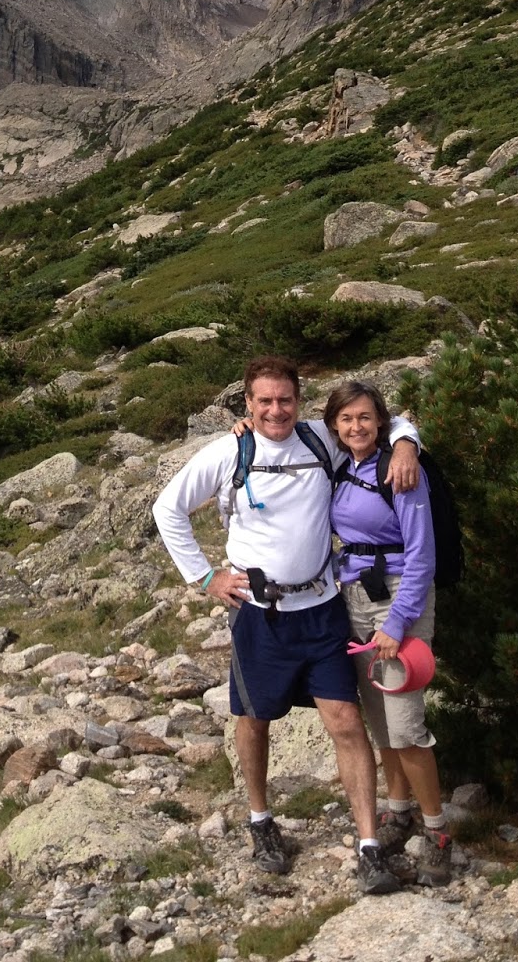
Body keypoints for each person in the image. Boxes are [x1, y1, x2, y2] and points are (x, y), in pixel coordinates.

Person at [152, 355, 420, 894]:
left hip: (323, 609)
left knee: (346, 723)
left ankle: (369, 846)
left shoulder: (321, 437)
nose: (276, 410)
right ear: (247, 404)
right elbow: (167, 508)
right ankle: (260, 821)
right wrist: (205, 577)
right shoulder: (231, 449)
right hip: (259, 615)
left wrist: (407, 444)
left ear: (300, 402)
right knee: (255, 719)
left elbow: (388, 423)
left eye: (285, 400)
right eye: (265, 401)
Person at [326, 379, 451, 887]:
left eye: (365, 417)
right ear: (334, 424)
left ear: (380, 421)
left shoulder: (401, 471)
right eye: (346, 419)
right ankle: (399, 811)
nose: (356, 427)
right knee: (379, 721)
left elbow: (423, 555)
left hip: (400, 598)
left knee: (405, 727)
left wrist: (397, 624)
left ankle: (438, 832)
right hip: (355, 596)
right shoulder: (341, 465)